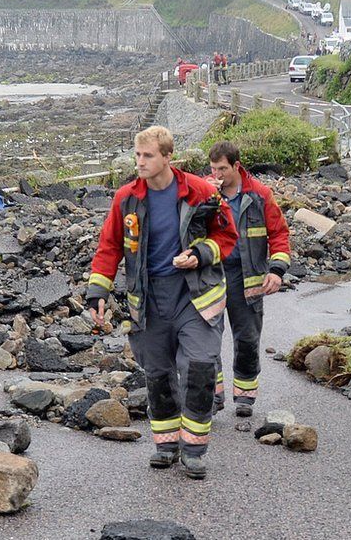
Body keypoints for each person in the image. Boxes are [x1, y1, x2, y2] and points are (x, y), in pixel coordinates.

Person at [86, 126, 237, 480]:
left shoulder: (198, 191)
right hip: (150, 302)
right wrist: (98, 292)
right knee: (157, 374)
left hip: (195, 297)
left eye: (148, 156)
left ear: (168, 157)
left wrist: (199, 254)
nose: (140, 162)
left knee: (200, 366)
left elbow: (226, 234)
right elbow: (109, 246)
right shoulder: (126, 198)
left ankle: (195, 451)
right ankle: (166, 446)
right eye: (137, 155)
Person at [204, 141, 291, 417]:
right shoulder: (206, 193)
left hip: (247, 280)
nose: (217, 174)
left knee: (247, 340)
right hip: (211, 278)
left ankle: (244, 398)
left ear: (236, 166)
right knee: (205, 341)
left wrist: (276, 271)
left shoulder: (260, 195)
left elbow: (279, 235)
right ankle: (211, 396)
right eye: (213, 168)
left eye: (222, 169)